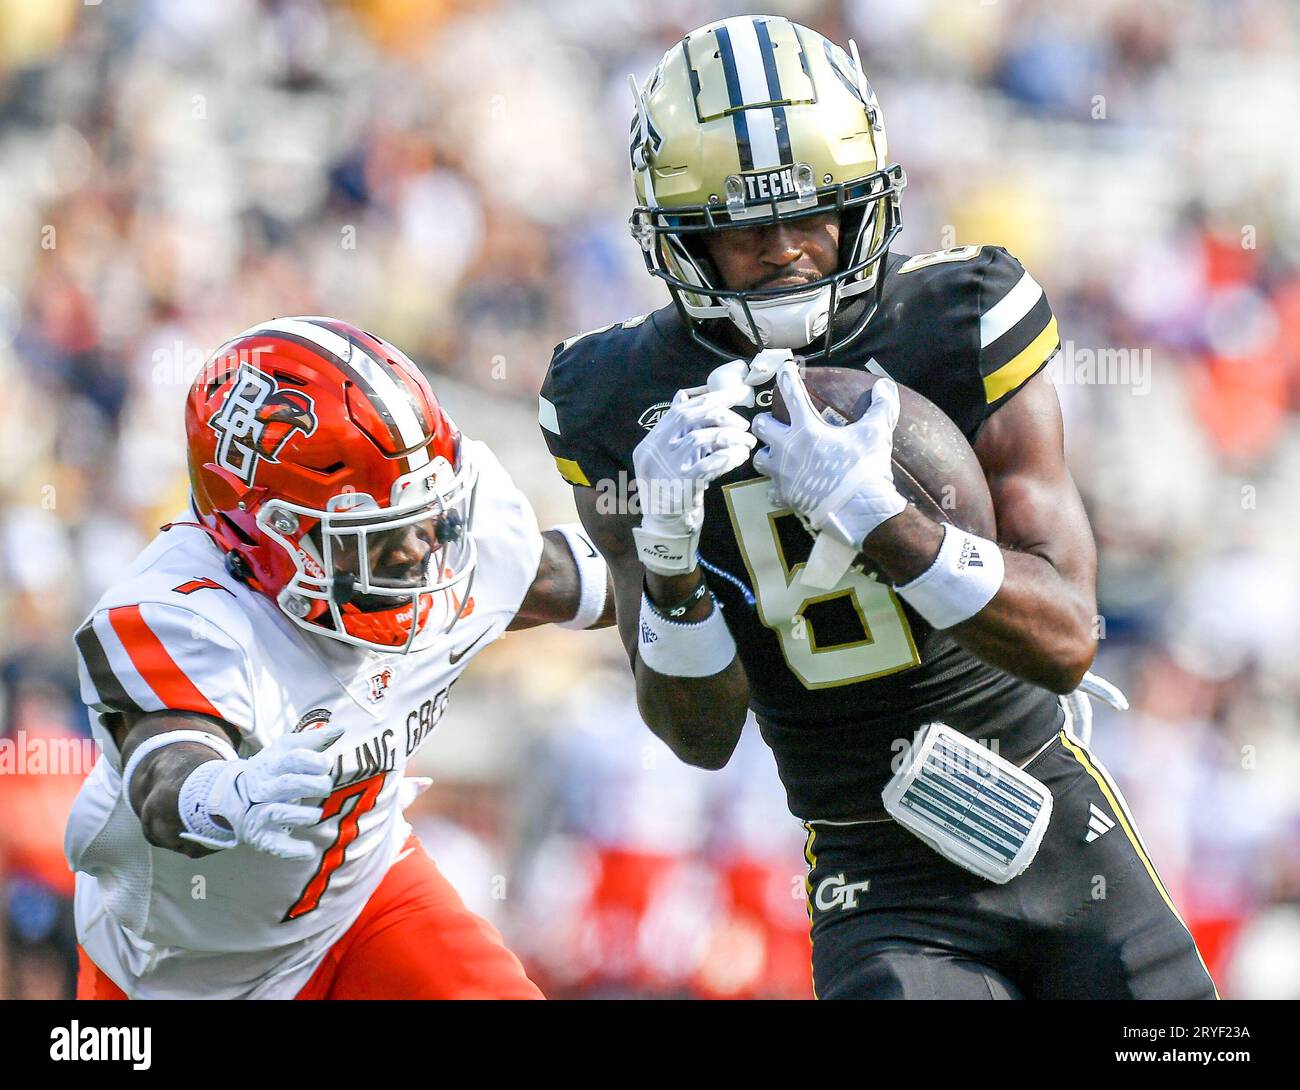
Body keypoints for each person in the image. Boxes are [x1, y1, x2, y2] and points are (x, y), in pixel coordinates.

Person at [538, 15, 1216, 999]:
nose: (786, 254)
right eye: (742, 227)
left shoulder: (957, 319)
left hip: (1055, 816)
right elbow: (698, 734)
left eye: (814, 214)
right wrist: (671, 556)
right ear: (676, 237)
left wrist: (874, 512)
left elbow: (1067, 634)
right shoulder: (611, 400)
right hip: (875, 869)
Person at [68, 316, 612, 999]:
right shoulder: (183, 614)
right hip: (174, 969)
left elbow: (577, 580)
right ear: (268, 530)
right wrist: (222, 796)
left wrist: (689, 537)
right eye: (374, 538)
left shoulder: (439, 539)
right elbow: (164, 774)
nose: (419, 553)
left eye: (423, 521)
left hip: (366, 901)